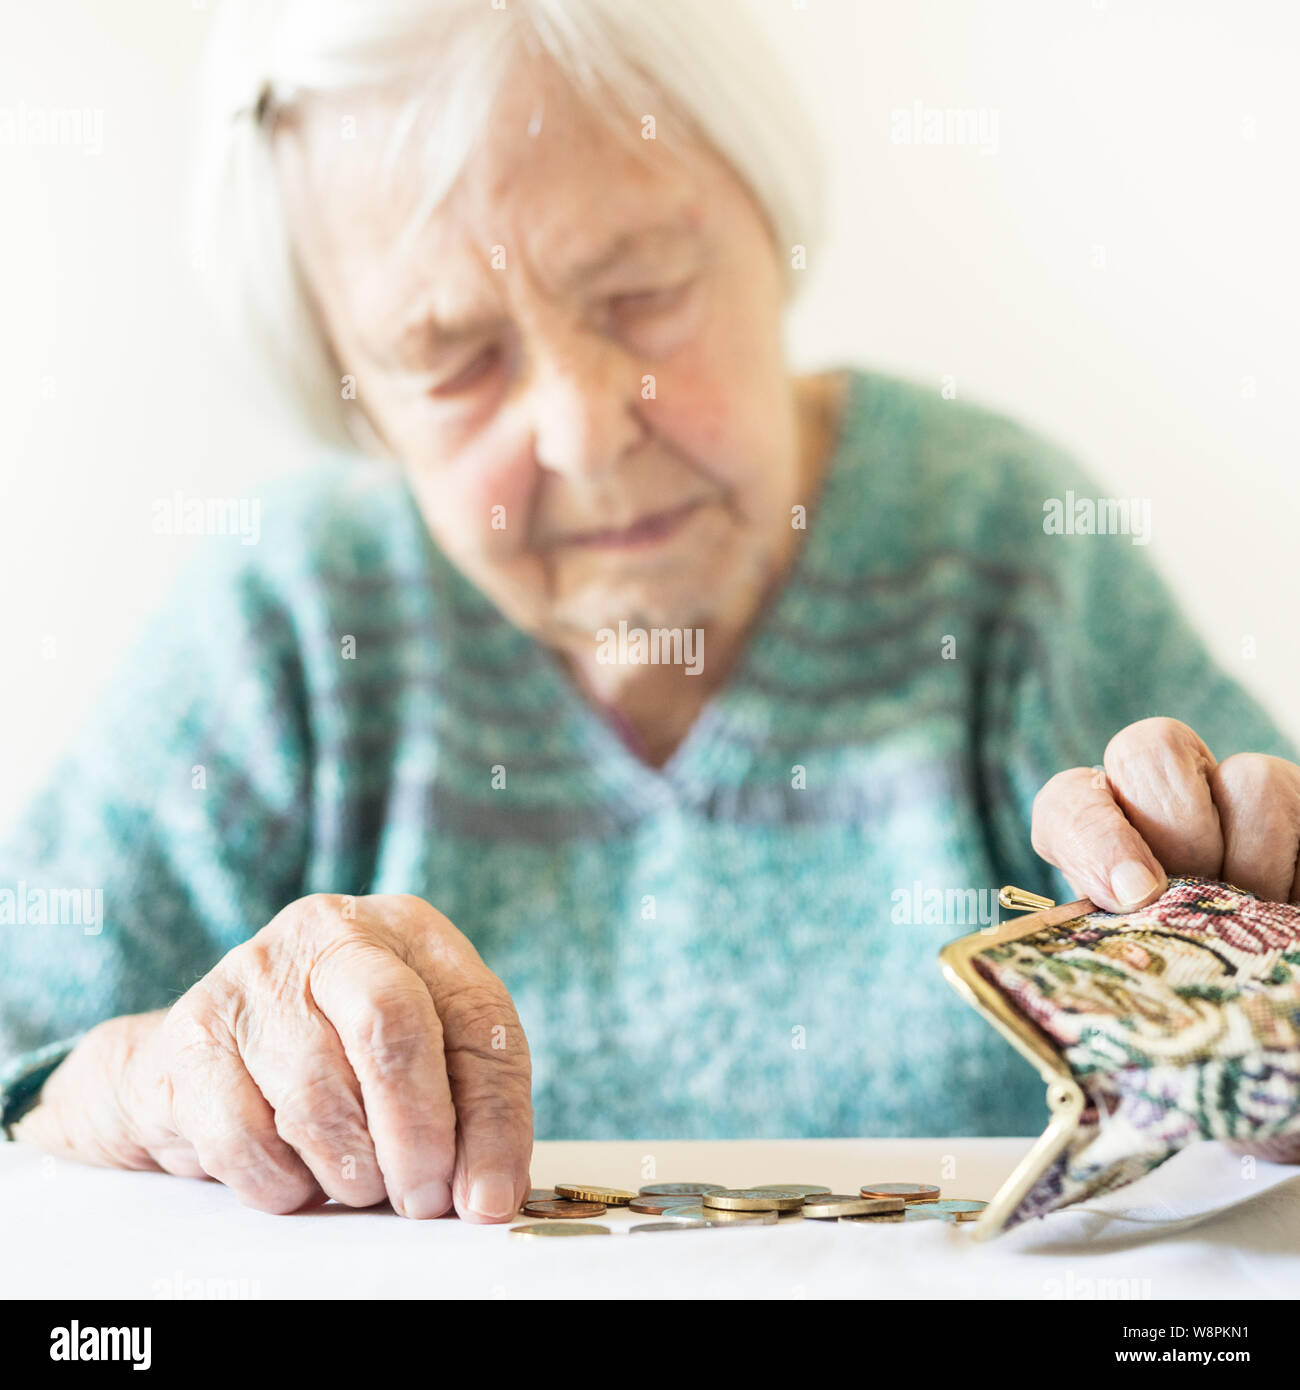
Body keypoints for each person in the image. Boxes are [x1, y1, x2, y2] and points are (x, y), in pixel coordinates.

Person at [3, 0, 1297, 1224]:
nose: (584, 429)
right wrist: (135, 1084)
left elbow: (1266, 900)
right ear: (358, 402)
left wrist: (1259, 965)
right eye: (452, 361)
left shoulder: (1003, 540)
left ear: (768, 221)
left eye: (641, 293)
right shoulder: (283, 618)